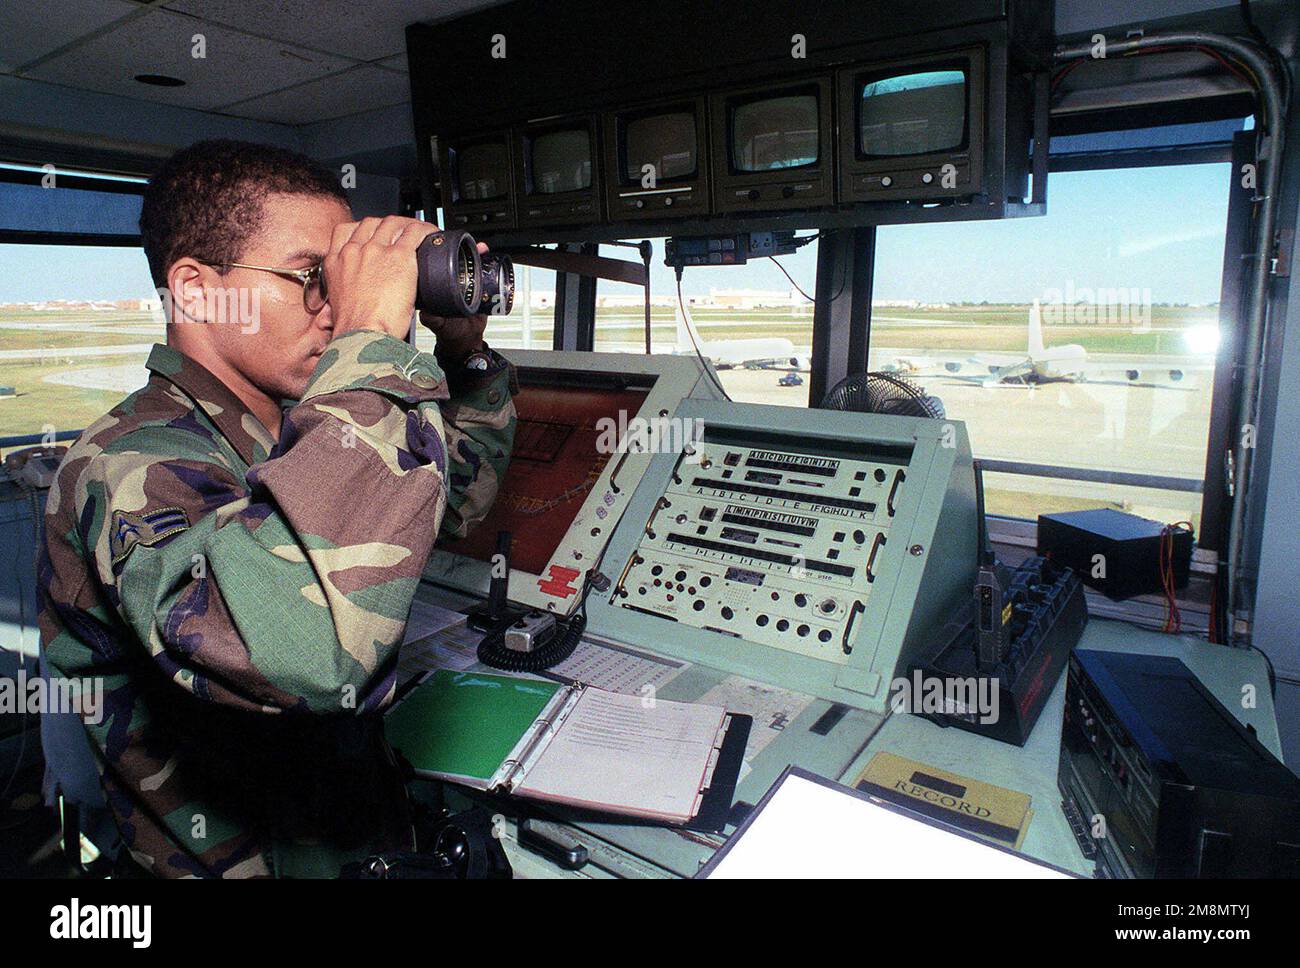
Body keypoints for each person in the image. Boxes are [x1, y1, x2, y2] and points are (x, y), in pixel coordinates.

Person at [38, 139, 516, 877]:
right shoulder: (131, 462)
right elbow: (309, 654)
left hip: (354, 836)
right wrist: (371, 341)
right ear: (195, 290)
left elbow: (447, 510)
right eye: (311, 278)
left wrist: (467, 356)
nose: (335, 309)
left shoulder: (290, 426)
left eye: (344, 280)